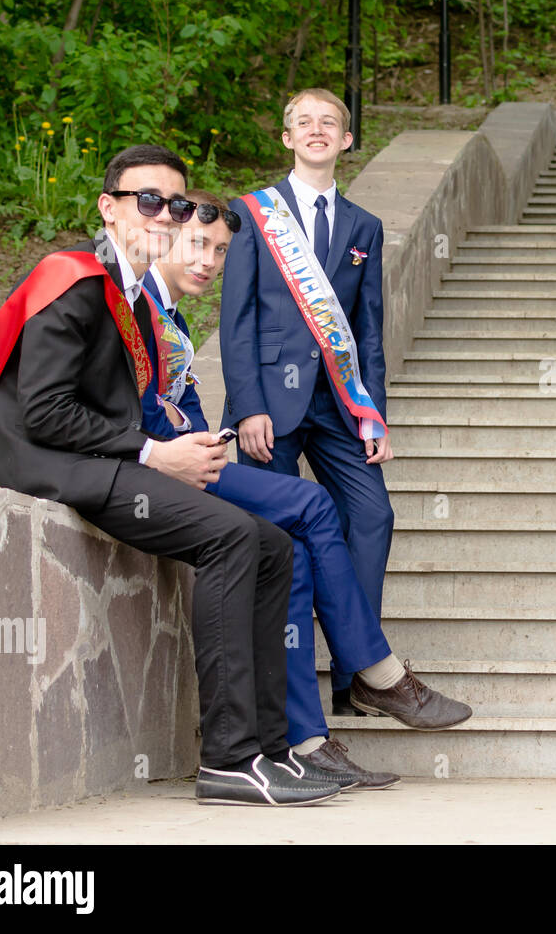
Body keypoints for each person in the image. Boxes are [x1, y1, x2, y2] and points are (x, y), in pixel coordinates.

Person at [0, 144, 340, 807]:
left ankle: (269, 750)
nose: (163, 214)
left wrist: (175, 447)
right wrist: (151, 453)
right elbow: (44, 411)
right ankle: (226, 760)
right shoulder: (75, 278)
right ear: (109, 208)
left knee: (273, 543)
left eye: (173, 203)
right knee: (231, 537)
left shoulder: (135, 299)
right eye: (147, 200)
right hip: (44, 467)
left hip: (97, 461)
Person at [142, 189, 471, 787]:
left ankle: (316, 733)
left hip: (254, 435)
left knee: (315, 538)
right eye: (201, 246)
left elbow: (365, 328)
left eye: (217, 249)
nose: (211, 261)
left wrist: (198, 437)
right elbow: (141, 401)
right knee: (304, 520)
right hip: (168, 464)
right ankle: (370, 679)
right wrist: (237, 413)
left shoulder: (169, 313)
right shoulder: (134, 304)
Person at [219, 87, 450, 721]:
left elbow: (367, 331)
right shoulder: (252, 214)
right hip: (269, 406)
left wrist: (373, 414)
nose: (317, 130)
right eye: (303, 122)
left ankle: (356, 674)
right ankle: (289, 699)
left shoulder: (364, 228)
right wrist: (246, 407)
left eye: (330, 122)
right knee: (281, 538)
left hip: (337, 405)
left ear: (347, 140)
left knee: (372, 516)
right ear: (286, 137)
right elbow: (235, 319)